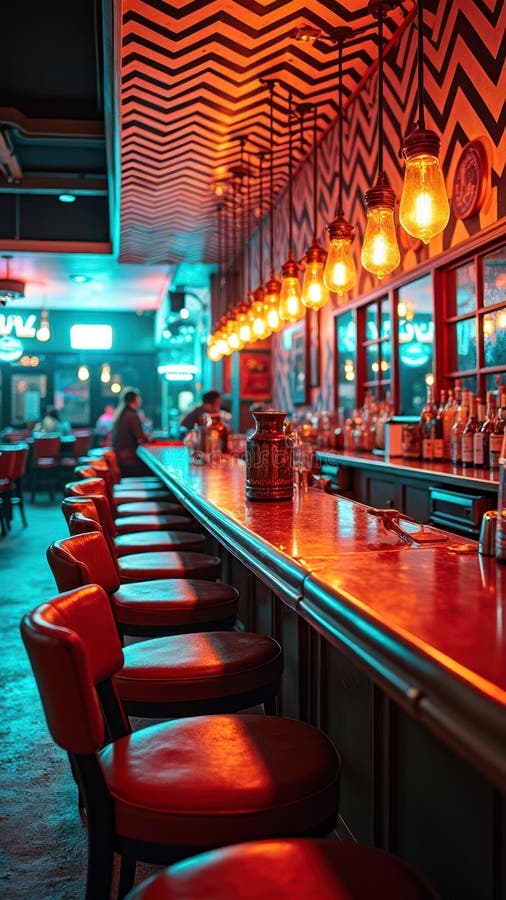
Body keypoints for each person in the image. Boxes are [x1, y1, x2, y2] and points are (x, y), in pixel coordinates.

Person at [110, 387, 152, 477]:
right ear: (136, 399)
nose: (140, 399)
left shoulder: (124, 413)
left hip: (122, 458)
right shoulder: (131, 415)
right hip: (128, 461)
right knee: (151, 471)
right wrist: (149, 433)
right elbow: (141, 436)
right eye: (139, 397)